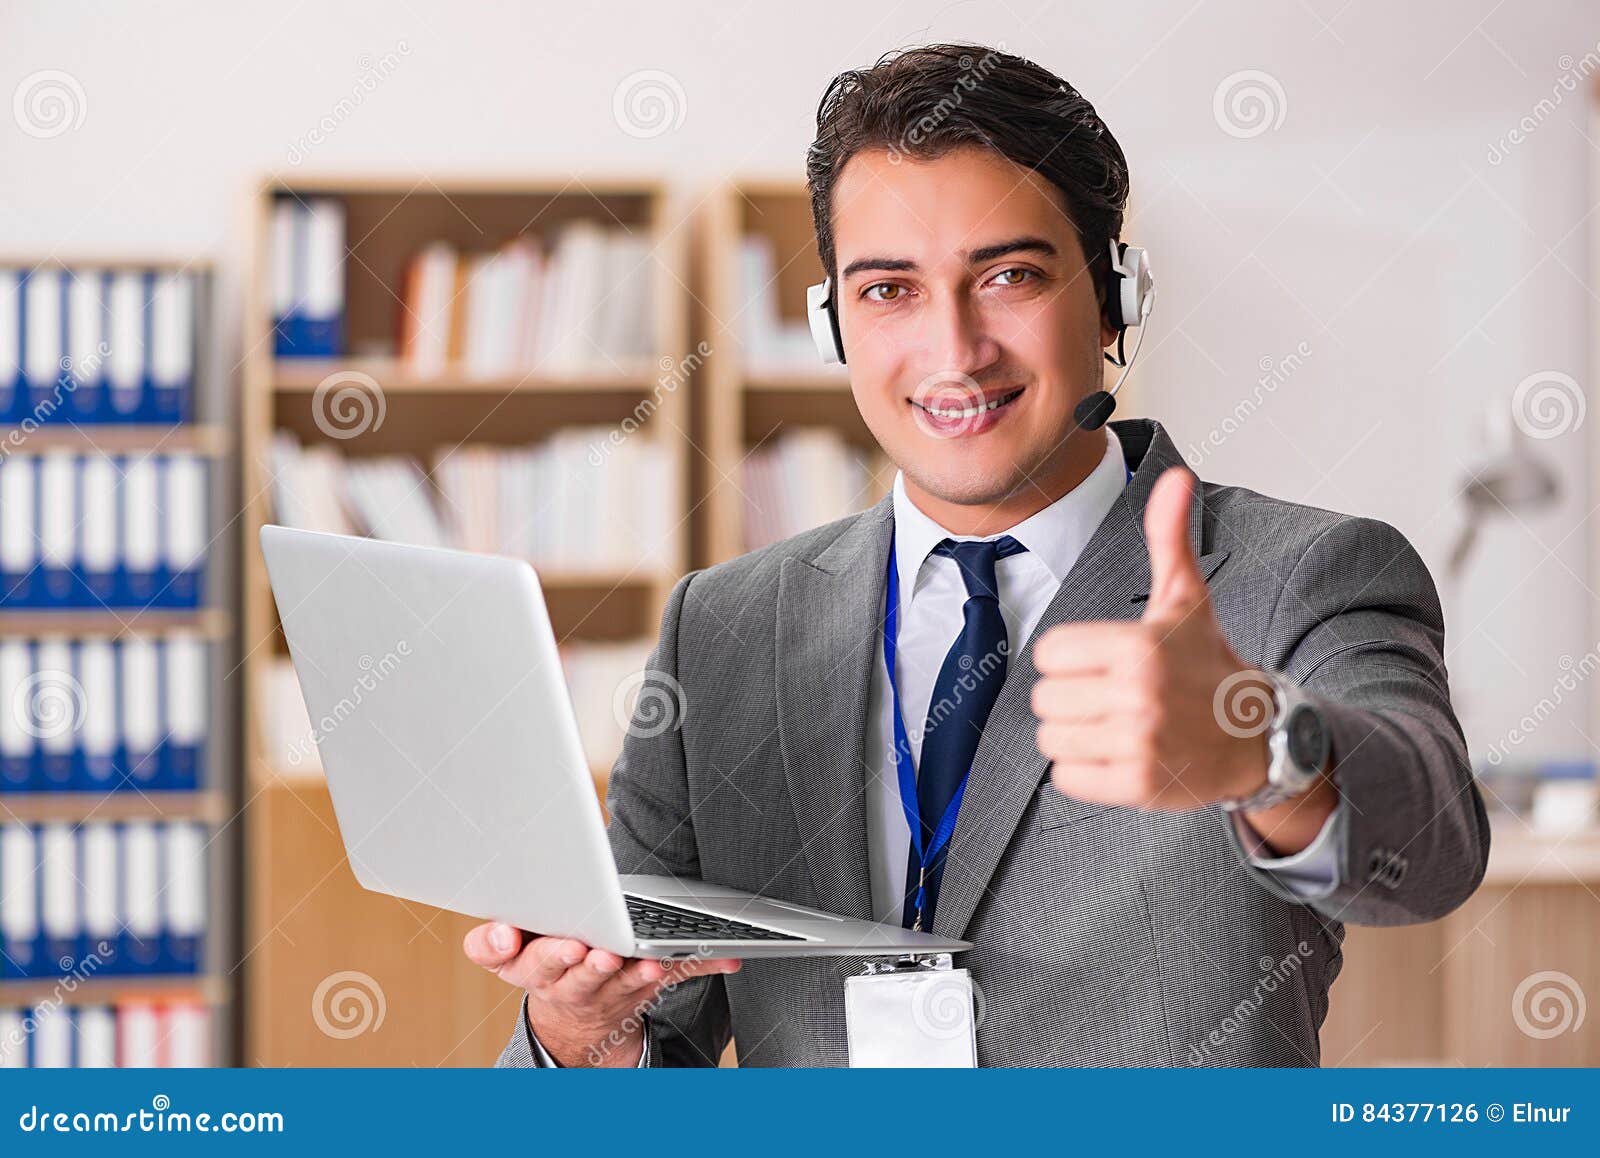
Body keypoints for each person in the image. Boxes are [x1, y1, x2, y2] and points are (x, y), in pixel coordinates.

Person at [466, 42, 1489, 1067]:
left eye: (1008, 275)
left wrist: (1263, 748)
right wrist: (576, 1026)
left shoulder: (1300, 573)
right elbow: (650, 1048)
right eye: (888, 291)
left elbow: (1432, 847)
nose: (954, 351)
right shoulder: (723, 631)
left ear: (1114, 298)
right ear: (833, 326)